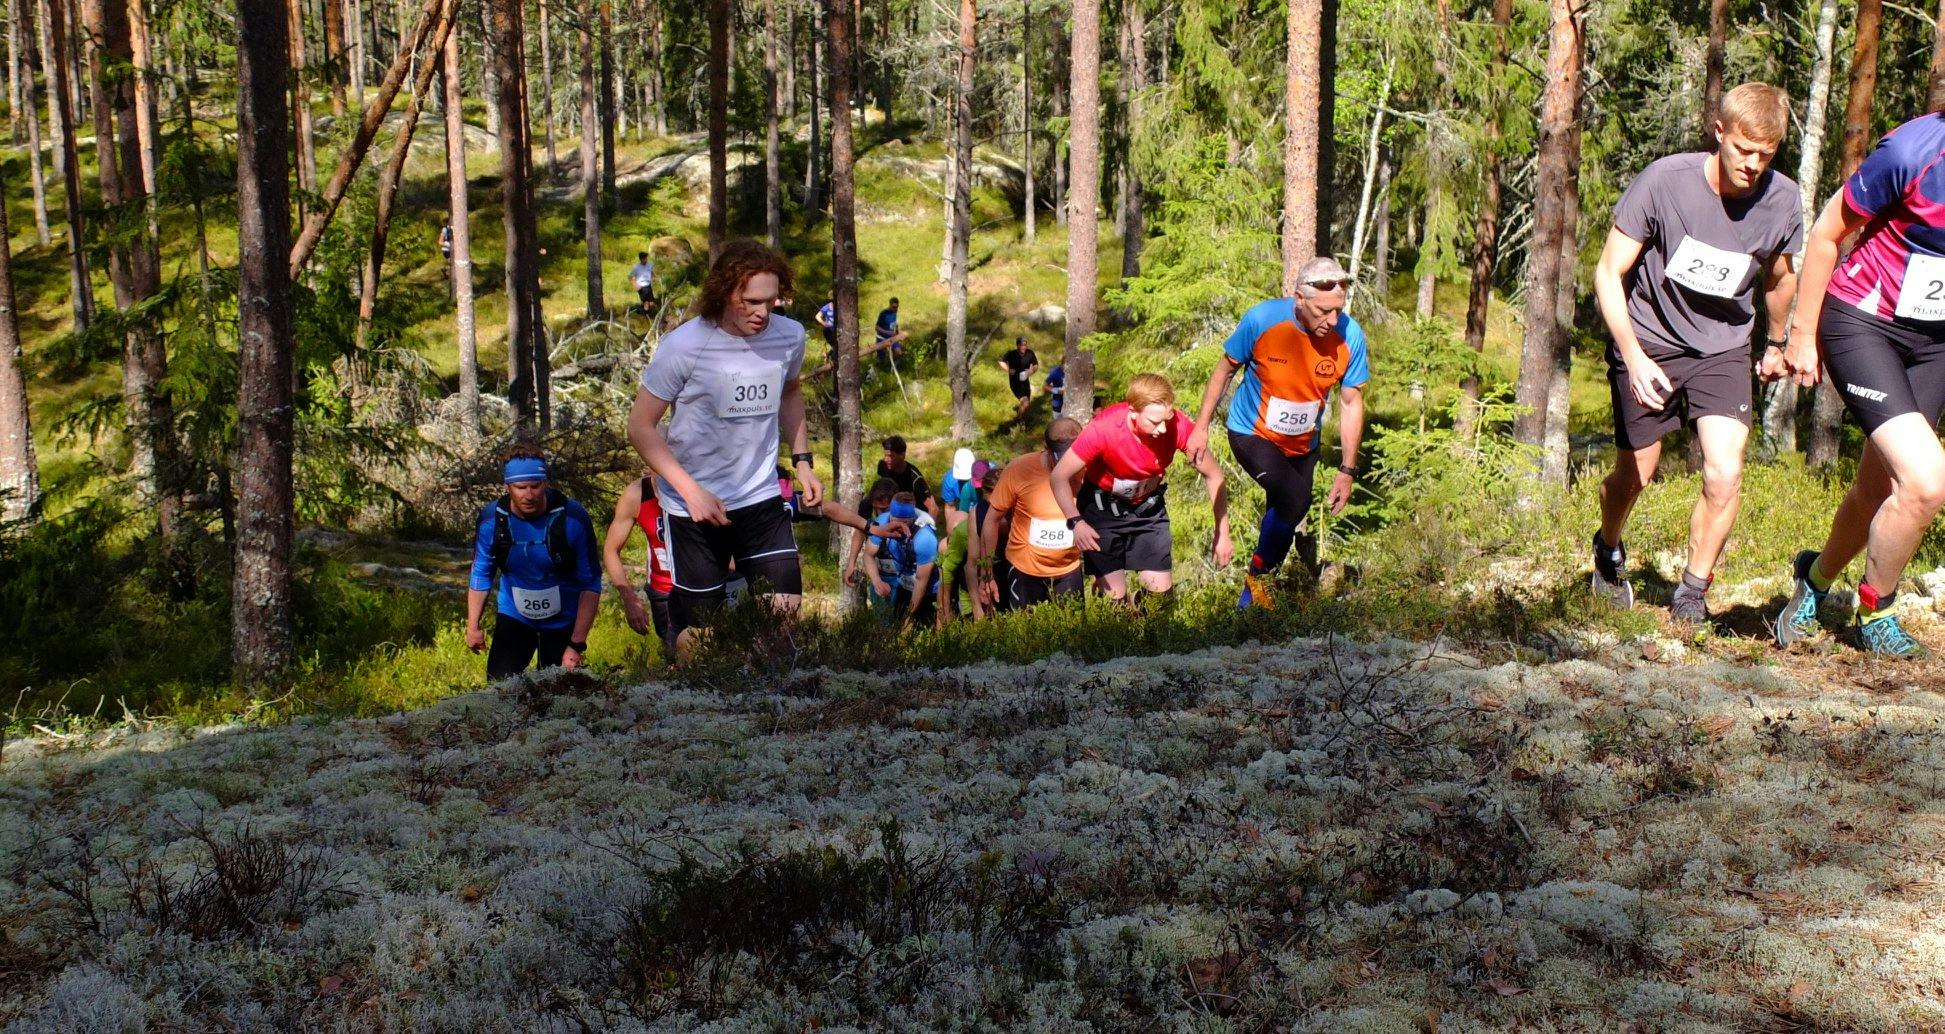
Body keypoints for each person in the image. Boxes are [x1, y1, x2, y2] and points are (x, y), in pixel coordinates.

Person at [1586, 84, 1803, 624]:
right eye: (1743, 150)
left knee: (1724, 473)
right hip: (1650, 339)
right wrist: (1633, 356)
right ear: (1720, 132)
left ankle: (1691, 591)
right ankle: (1608, 546)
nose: (1752, 165)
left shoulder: (1782, 199)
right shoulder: (1665, 181)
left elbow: (1779, 278)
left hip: (1724, 346)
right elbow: (1608, 272)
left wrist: (1776, 343)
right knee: (1637, 473)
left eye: (1766, 155)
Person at [1775, 109, 1945, 658]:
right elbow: (1827, 233)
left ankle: (1815, 579)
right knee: (1925, 481)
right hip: (1864, 322)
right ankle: (1876, 609)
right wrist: (1801, 334)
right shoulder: (1913, 153)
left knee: (1882, 486)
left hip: (1936, 342)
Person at [626, 239, 820, 659]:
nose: (763, 312)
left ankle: (768, 707)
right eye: (751, 301)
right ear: (724, 293)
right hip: (694, 507)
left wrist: (802, 461)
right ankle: (700, 712)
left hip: (760, 497)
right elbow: (640, 427)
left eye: (772, 300)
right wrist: (689, 490)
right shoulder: (685, 345)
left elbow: (790, 392)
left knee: (783, 618)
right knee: (701, 638)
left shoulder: (789, 336)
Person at [1189, 256, 1370, 609]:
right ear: (1298, 299)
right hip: (1251, 433)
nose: (1331, 321)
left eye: (1338, 311)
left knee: (1284, 511)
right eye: (1322, 311)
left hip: (1303, 443)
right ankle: (1256, 589)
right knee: (1296, 500)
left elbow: (1351, 404)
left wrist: (1347, 470)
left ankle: (1254, 602)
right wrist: (1201, 427)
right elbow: (1224, 369)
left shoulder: (1351, 336)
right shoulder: (1262, 320)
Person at [1050, 373, 1234, 602]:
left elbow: (1214, 475)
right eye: (1154, 422)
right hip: (1103, 512)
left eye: (1167, 419)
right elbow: (1059, 477)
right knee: (1115, 605)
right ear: (1133, 412)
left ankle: (1138, 607)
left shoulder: (1177, 426)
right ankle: (1115, 600)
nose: (1163, 429)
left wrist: (1222, 533)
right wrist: (1075, 521)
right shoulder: (1104, 429)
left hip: (1148, 511)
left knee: (1160, 600)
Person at [466, 448, 603, 678]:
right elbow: (481, 572)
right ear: (507, 487)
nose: (529, 495)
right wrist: (473, 626)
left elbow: (590, 582)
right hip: (515, 616)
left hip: (563, 621)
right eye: (520, 488)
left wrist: (576, 644)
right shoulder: (492, 520)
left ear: (545, 483)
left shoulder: (573, 519)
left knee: (559, 695)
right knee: (500, 689)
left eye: (535, 486)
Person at [980, 418, 1085, 610]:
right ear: (1046, 447)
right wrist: (986, 574)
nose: (1068, 463)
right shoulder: (1019, 469)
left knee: (1074, 636)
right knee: (1026, 636)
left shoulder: (1088, 469)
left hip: (1068, 569)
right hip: (1024, 569)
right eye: (1059, 457)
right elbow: (991, 521)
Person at [603, 475, 677, 654]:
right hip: (664, 591)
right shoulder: (637, 494)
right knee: (676, 655)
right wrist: (630, 600)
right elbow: (610, 550)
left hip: (708, 585)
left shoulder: (704, 480)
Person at [865, 492, 939, 625]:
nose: (899, 527)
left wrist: (909, 618)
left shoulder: (925, 539)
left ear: (912, 518)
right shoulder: (882, 522)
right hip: (903, 584)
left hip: (928, 591)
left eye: (904, 523)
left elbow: (921, 581)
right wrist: (877, 581)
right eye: (894, 522)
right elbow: (868, 554)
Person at [876, 435, 939, 520]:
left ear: (902, 455)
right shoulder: (883, 466)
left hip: (913, 517)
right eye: (885, 455)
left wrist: (926, 529)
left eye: (890, 456)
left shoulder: (915, 479)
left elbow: (934, 509)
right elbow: (880, 494)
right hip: (893, 513)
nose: (886, 459)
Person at [1000, 336, 1040, 419]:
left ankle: (1020, 418)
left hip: (1025, 381)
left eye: (1025, 345)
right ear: (1017, 345)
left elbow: (1036, 365)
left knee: (1027, 406)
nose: (1023, 347)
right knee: (1025, 403)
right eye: (1021, 345)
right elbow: (1001, 361)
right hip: (1015, 383)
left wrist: (1030, 371)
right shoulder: (1011, 354)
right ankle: (1020, 421)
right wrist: (1008, 370)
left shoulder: (1030, 353)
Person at [629, 251, 657, 315]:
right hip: (641, 287)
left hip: (648, 286)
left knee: (651, 303)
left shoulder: (650, 264)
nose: (646, 260)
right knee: (646, 303)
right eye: (644, 259)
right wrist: (635, 285)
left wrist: (654, 277)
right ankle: (645, 316)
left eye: (646, 258)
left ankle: (640, 310)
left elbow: (651, 272)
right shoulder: (636, 267)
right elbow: (630, 277)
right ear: (640, 259)